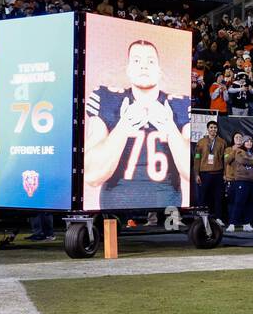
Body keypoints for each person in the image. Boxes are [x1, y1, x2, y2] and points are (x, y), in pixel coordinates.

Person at [83, 38, 192, 208]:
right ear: (128, 70)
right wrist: (124, 126)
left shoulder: (179, 104)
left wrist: (170, 128)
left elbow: (191, 172)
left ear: (159, 70)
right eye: (136, 60)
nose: (143, 66)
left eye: (150, 61)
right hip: (116, 211)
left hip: (167, 210)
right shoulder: (108, 99)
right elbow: (92, 176)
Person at [225, 135, 253, 233]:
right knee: (239, 202)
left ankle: (247, 224)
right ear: (243, 143)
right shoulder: (239, 151)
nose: (249, 143)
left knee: (250, 203)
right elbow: (242, 160)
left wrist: (252, 161)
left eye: (250, 141)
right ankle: (232, 224)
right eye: (247, 141)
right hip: (241, 180)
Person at [192, 120, 228, 222]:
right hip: (204, 174)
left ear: (217, 130)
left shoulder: (222, 142)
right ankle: (203, 218)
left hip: (218, 173)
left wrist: (225, 173)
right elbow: (197, 158)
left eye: (215, 128)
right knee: (203, 197)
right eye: (211, 127)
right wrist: (196, 174)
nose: (213, 129)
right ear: (207, 129)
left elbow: (225, 159)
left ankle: (218, 218)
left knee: (218, 197)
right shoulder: (201, 142)